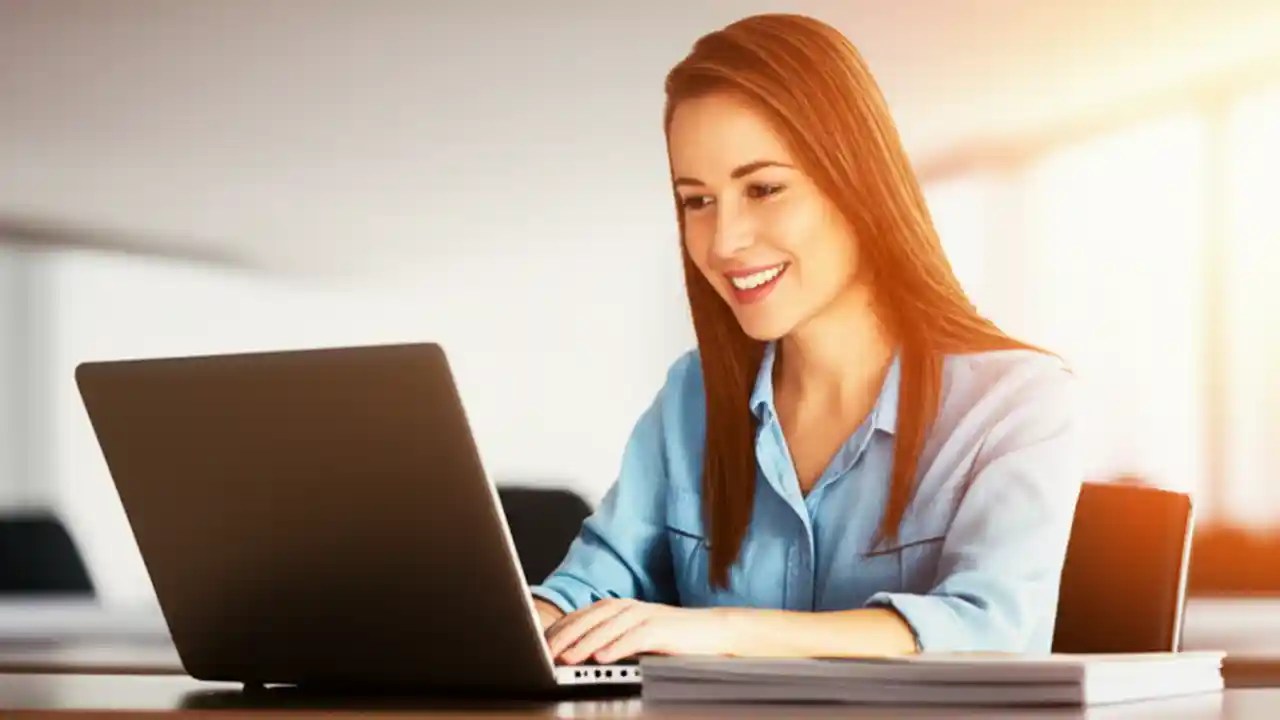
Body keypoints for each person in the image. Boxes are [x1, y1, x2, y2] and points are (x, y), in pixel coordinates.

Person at [529, 13, 1083, 666]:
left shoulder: (1017, 401)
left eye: (763, 188)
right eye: (697, 200)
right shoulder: (693, 399)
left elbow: (992, 629)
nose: (724, 240)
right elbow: (588, 588)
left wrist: (723, 631)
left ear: (856, 183)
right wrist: (513, 626)